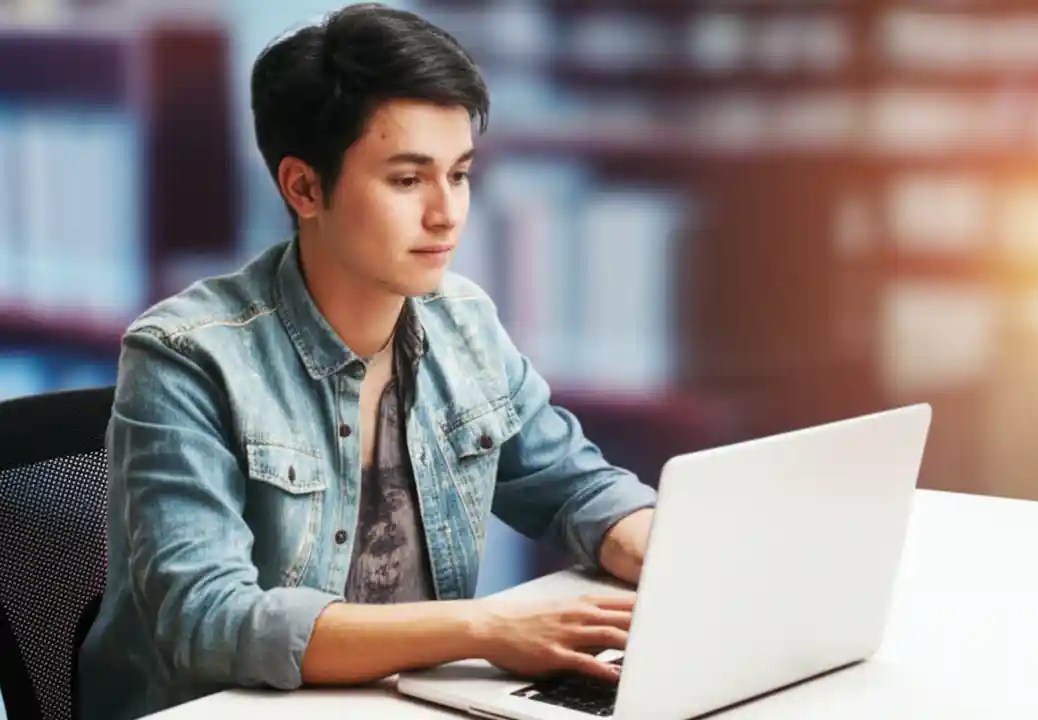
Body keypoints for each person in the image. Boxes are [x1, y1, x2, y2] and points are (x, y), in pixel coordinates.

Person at [77, 5, 656, 718]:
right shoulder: (186, 357)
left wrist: (670, 553)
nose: (447, 214)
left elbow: (576, 489)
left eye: (460, 174)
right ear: (304, 188)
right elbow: (210, 618)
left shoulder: (462, 321)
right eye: (409, 181)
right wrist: (483, 630)